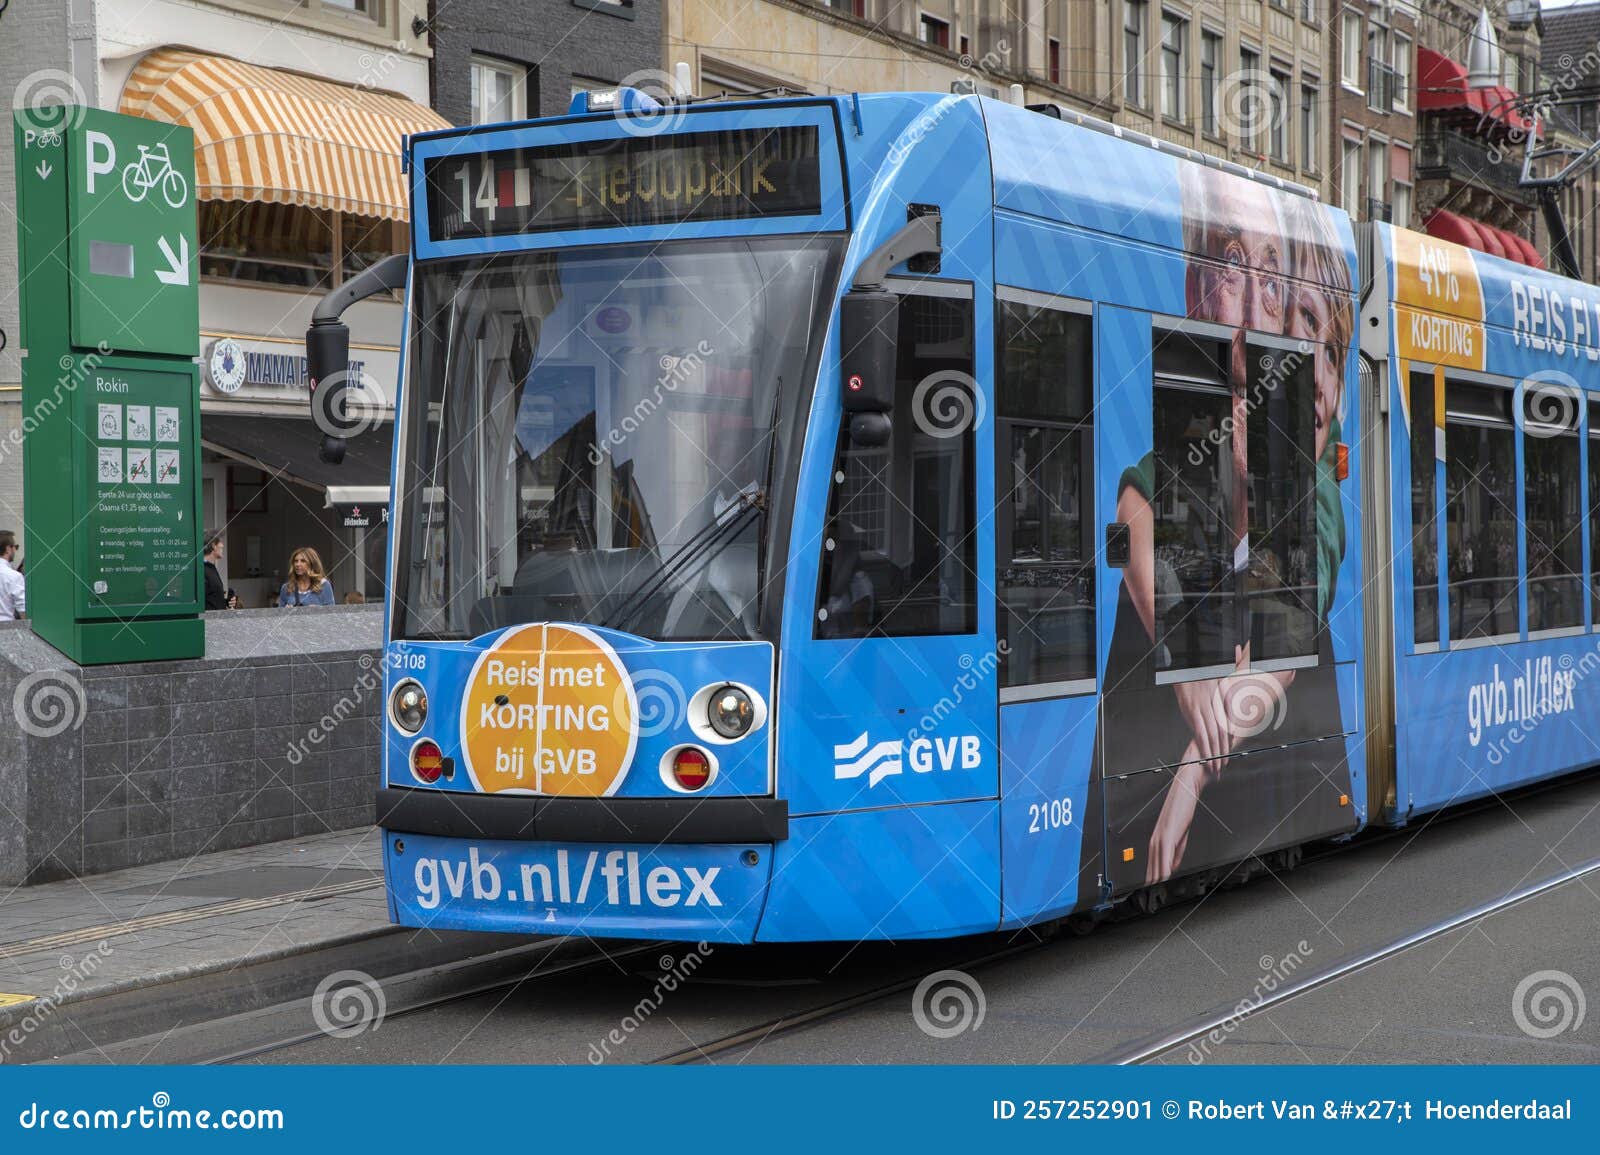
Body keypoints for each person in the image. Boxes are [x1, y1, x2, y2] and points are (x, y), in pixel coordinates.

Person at [202, 531, 238, 610]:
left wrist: (227, 602)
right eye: (220, 542)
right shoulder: (202, 570)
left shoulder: (210, 568)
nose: (222, 545)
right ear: (213, 546)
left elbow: (211, 600)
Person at [0, 530, 24, 621]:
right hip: (6, 629)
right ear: (8, 549)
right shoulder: (14, 576)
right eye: (15, 547)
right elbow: (23, 610)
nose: (15, 550)